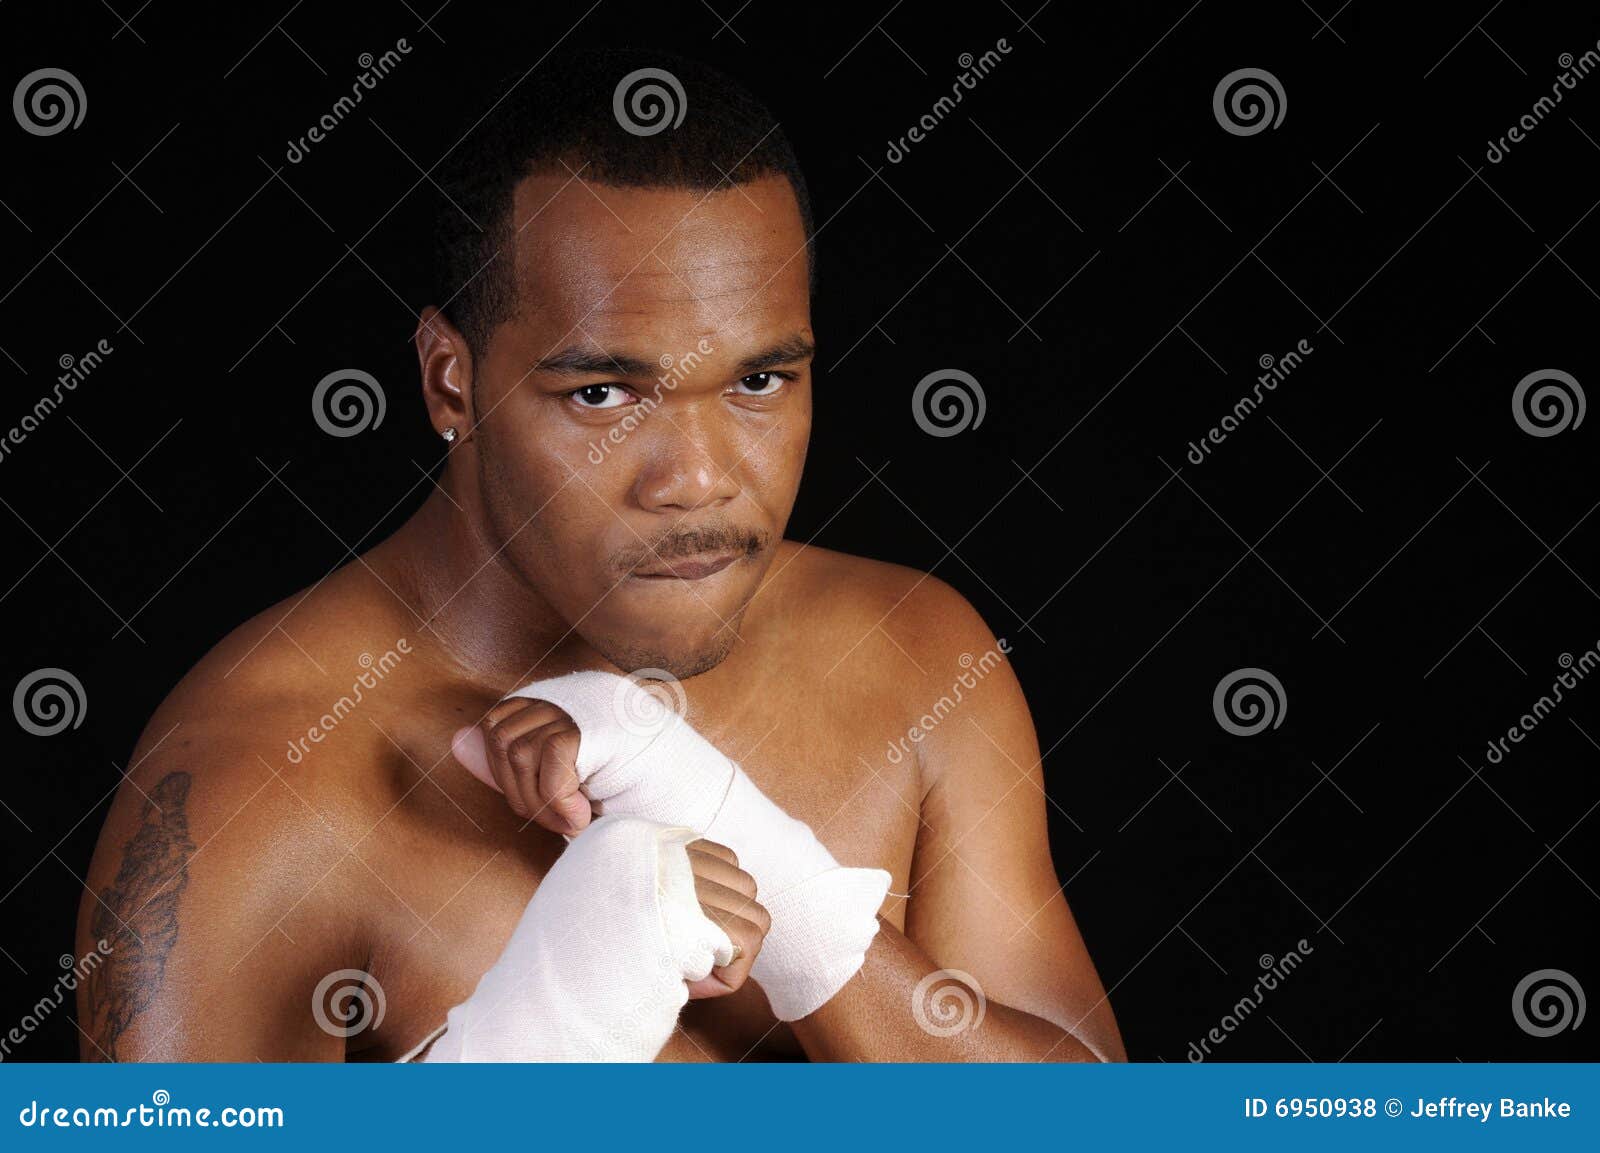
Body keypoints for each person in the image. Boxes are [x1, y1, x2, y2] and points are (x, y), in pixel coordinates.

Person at [76, 46, 1125, 1062]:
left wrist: (798, 906)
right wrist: (530, 1047)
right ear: (450, 382)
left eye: (759, 383)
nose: (697, 480)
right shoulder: (256, 786)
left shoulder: (912, 657)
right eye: (602, 394)